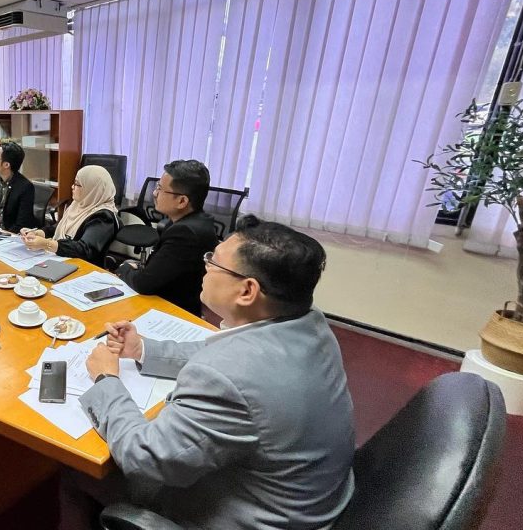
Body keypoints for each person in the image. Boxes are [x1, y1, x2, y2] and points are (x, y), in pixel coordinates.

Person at [61, 216, 354, 530]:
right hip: (313, 495)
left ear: (247, 291)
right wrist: (142, 349)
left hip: (261, 517)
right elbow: (222, 354)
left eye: (214, 261)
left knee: (74, 470)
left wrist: (106, 379)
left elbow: (144, 457)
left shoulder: (227, 377)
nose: (206, 266)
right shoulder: (308, 323)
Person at [116, 160, 218, 316]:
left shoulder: (185, 234)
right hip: (163, 299)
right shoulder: (188, 221)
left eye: (161, 189)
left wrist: (125, 268)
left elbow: (144, 283)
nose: (155, 193)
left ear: (182, 201)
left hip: (171, 312)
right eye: (157, 186)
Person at [20, 165, 118, 266]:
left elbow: (84, 250)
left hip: (83, 267)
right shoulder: (78, 204)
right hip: (63, 260)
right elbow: (60, 227)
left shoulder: (103, 217)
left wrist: (47, 244)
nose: (72, 186)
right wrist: (38, 233)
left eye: (77, 184)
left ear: (91, 188)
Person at [0, 141, 36, 232]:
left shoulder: (25, 187)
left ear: (6, 165)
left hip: (14, 235)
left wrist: (1, 235)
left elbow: (21, 224)